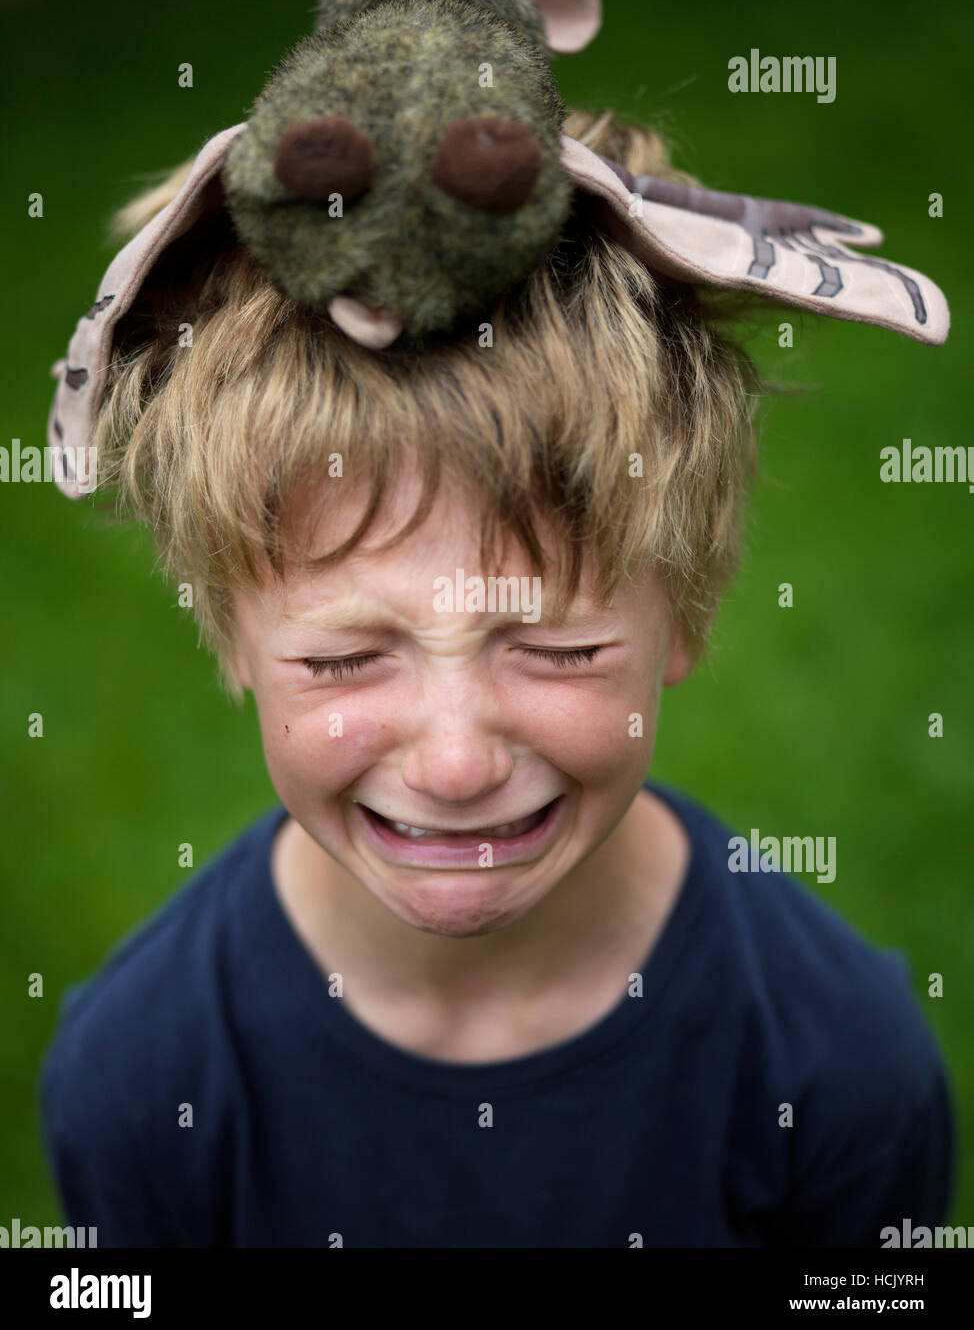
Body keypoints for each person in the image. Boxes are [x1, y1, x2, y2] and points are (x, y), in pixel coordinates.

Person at [39, 108, 955, 1247]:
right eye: (342, 658)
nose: (457, 761)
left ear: (687, 610)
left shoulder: (839, 1075)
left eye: (558, 649)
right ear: (228, 635)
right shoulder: (139, 1080)